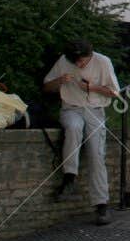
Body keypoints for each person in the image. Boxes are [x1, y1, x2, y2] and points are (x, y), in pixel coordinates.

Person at [43, 39, 121, 226]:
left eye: (82, 61)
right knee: (73, 127)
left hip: (95, 110)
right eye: (76, 62)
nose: (79, 65)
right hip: (71, 108)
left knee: (96, 154)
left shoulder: (103, 62)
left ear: (90, 55)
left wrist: (91, 87)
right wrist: (59, 81)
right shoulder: (64, 61)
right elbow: (46, 86)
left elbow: (114, 92)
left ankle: (101, 204)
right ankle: (70, 175)